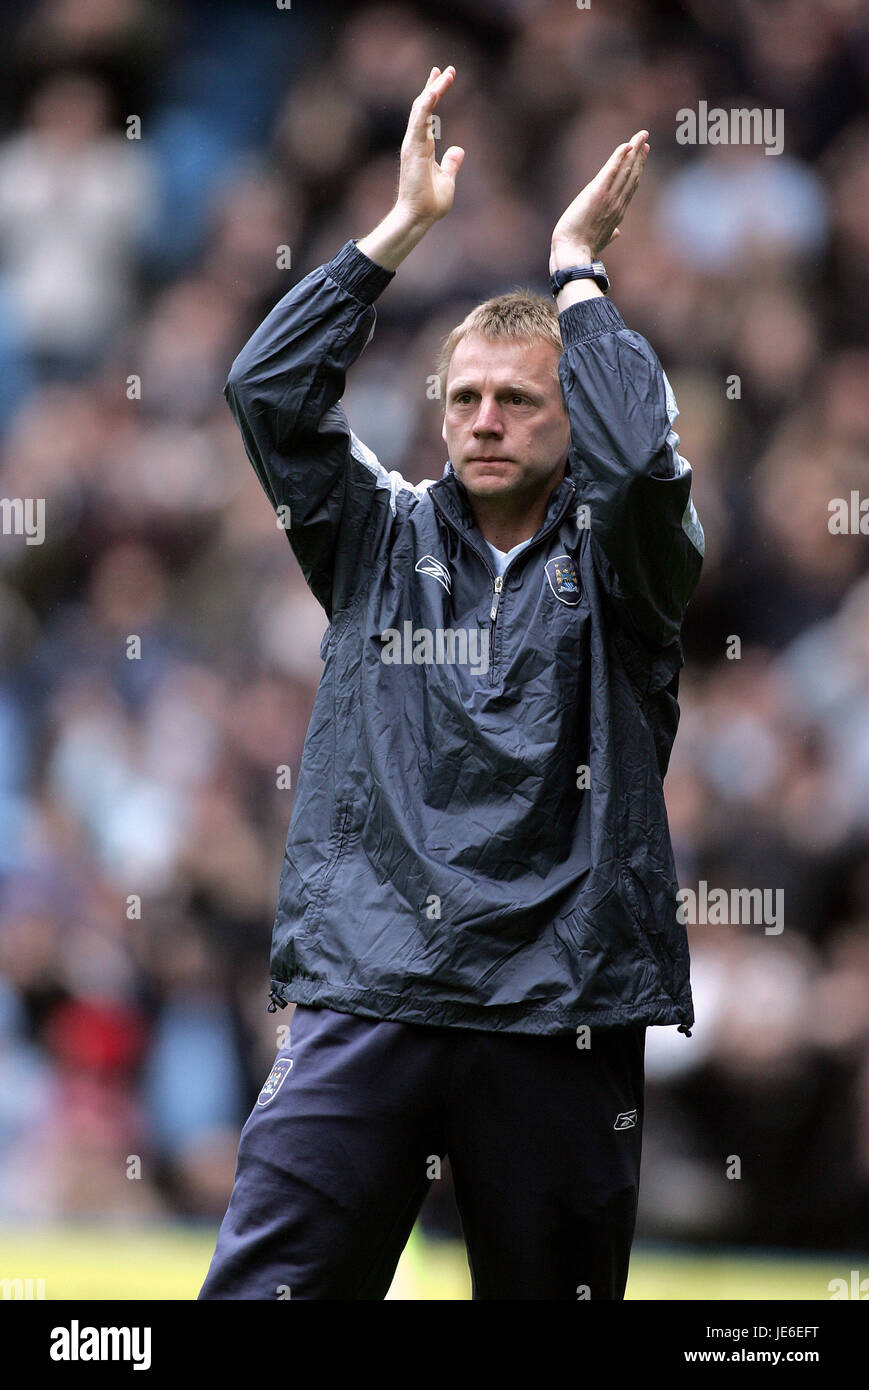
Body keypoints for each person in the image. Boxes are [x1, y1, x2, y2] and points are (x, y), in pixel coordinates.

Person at [199, 64, 704, 1301]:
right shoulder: (375, 535)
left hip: (557, 1002)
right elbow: (266, 392)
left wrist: (577, 272)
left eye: (517, 401)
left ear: (567, 415)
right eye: (463, 397)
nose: (481, 419)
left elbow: (642, 466)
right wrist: (396, 231)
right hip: (370, 991)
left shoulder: (626, 565)